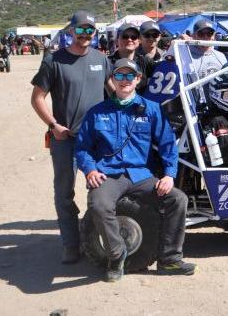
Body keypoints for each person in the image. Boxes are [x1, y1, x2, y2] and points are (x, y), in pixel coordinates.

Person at [75, 59, 195, 282]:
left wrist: (169, 175)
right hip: (109, 174)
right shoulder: (97, 112)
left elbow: (168, 144)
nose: (124, 80)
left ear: (138, 79)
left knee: (178, 199)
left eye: (130, 76)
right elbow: (82, 148)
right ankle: (116, 255)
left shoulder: (151, 109)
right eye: (119, 76)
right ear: (112, 80)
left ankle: (169, 260)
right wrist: (90, 170)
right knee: (99, 205)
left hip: (141, 176)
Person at [30, 10, 111, 264]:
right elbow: (37, 98)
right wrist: (54, 125)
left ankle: (95, 240)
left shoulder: (101, 59)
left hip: (96, 141)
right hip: (65, 139)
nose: (85, 34)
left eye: (90, 30)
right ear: (70, 31)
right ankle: (70, 244)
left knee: (99, 191)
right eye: (81, 29)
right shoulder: (54, 60)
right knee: (64, 192)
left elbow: (115, 93)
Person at [109, 23, 149, 92]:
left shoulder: (145, 62)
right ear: (116, 40)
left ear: (138, 41)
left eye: (134, 37)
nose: (130, 39)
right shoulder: (107, 63)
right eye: (125, 36)